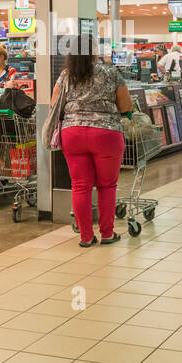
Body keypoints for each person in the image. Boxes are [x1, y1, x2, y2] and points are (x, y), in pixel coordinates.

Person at [51, 35, 133, 247]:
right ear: (95, 51)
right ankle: (107, 234)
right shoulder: (111, 72)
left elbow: (54, 103)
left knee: (80, 186)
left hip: (73, 133)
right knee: (107, 186)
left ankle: (86, 237)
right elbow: (125, 106)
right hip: (106, 134)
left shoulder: (66, 75)